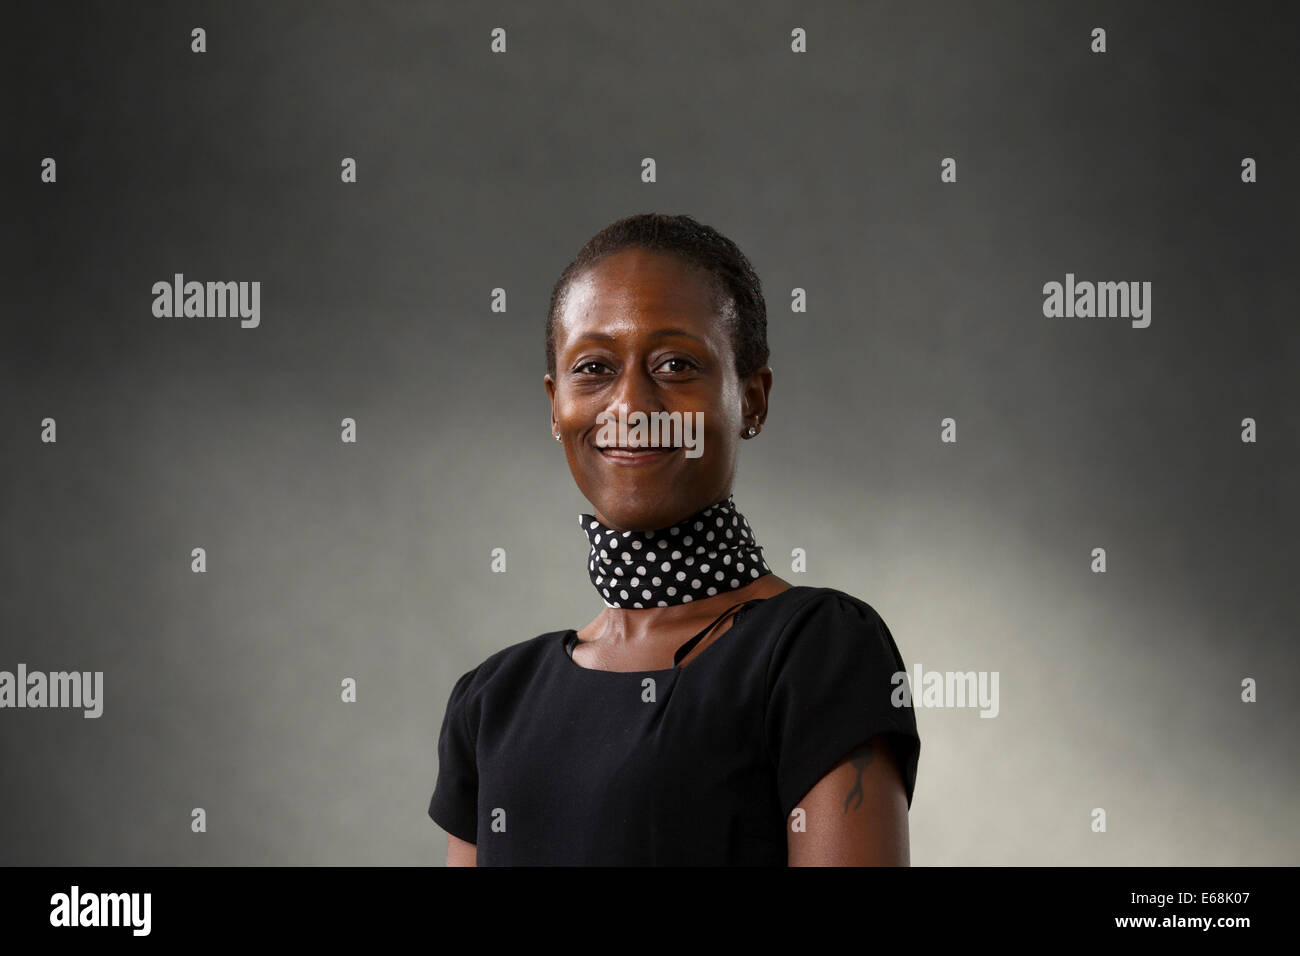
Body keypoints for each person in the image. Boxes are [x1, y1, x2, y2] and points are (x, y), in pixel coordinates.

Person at [428, 212, 920, 865]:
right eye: (594, 367)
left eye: (675, 364)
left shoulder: (816, 653)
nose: (630, 405)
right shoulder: (493, 700)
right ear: (555, 406)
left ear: (753, 399)